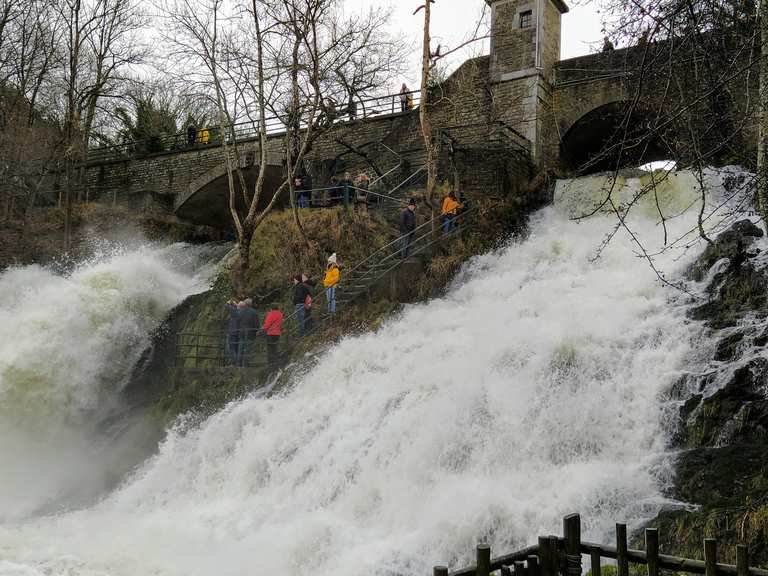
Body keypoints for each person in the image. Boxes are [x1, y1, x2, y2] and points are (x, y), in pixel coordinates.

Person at [238, 298, 260, 367]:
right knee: (248, 348)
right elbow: (256, 323)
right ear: (251, 304)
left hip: (241, 331)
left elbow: (237, 321)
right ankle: (246, 364)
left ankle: (239, 364)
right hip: (250, 332)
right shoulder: (254, 312)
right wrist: (256, 330)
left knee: (241, 347)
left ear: (245, 304)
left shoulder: (240, 311)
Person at [262, 302, 284, 367]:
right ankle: (275, 361)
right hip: (277, 333)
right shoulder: (280, 314)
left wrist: (264, 329)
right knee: (275, 347)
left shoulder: (271, 314)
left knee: (270, 348)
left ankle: (270, 362)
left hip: (270, 333)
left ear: (271, 308)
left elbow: (267, 323)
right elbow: (281, 323)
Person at [225, 299, 242, 365]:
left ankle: (234, 362)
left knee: (232, 348)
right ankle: (237, 362)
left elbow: (226, 306)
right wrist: (235, 305)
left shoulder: (236, 312)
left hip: (233, 332)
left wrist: (229, 302)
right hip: (237, 332)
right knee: (236, 348)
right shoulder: (240, 312)